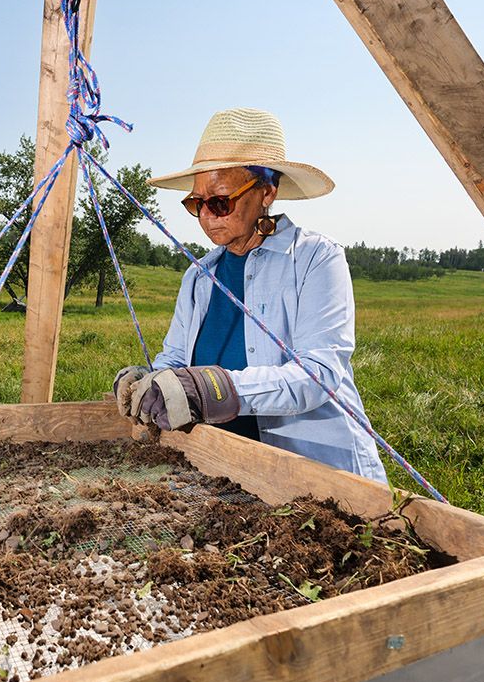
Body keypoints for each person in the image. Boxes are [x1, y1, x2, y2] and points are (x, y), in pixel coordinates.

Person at [115, 108, 387, 483]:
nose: (207, 216)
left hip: (313, 473)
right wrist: (149, 382)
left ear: (267, 192)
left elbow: (318, 375)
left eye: (220, 202)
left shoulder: (315, 259)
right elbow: (176, 360)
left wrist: (214, 389)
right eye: (197, 204)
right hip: (220, 468)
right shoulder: (198, 277)